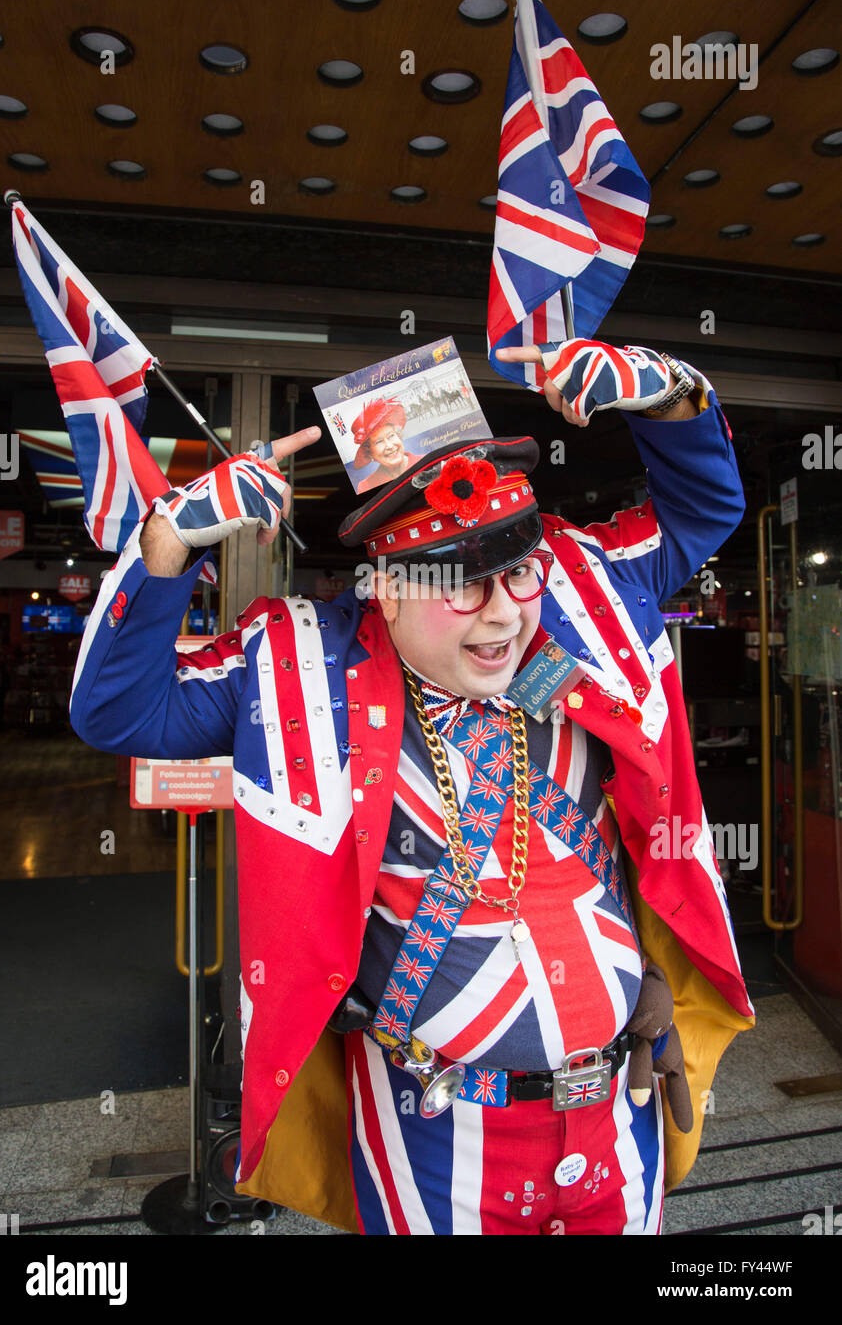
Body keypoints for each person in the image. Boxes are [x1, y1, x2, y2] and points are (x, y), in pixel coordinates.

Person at [70, 337, 754, 1235]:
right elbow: (117, 711)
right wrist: (169, 536)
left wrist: (668, 390)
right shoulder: (297, 663)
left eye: (516, 572)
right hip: (433, 1135)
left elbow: (708, 508)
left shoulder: (587, 592)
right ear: (387, 586)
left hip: (620, 1113)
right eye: (462, 587)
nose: (505, 610)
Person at [351, 397, 419, 492]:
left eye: (391, 435)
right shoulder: (366, 486)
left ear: (399, 436)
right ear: (370, 454)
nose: (389, 446)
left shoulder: (426, 461)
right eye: (379, 442)